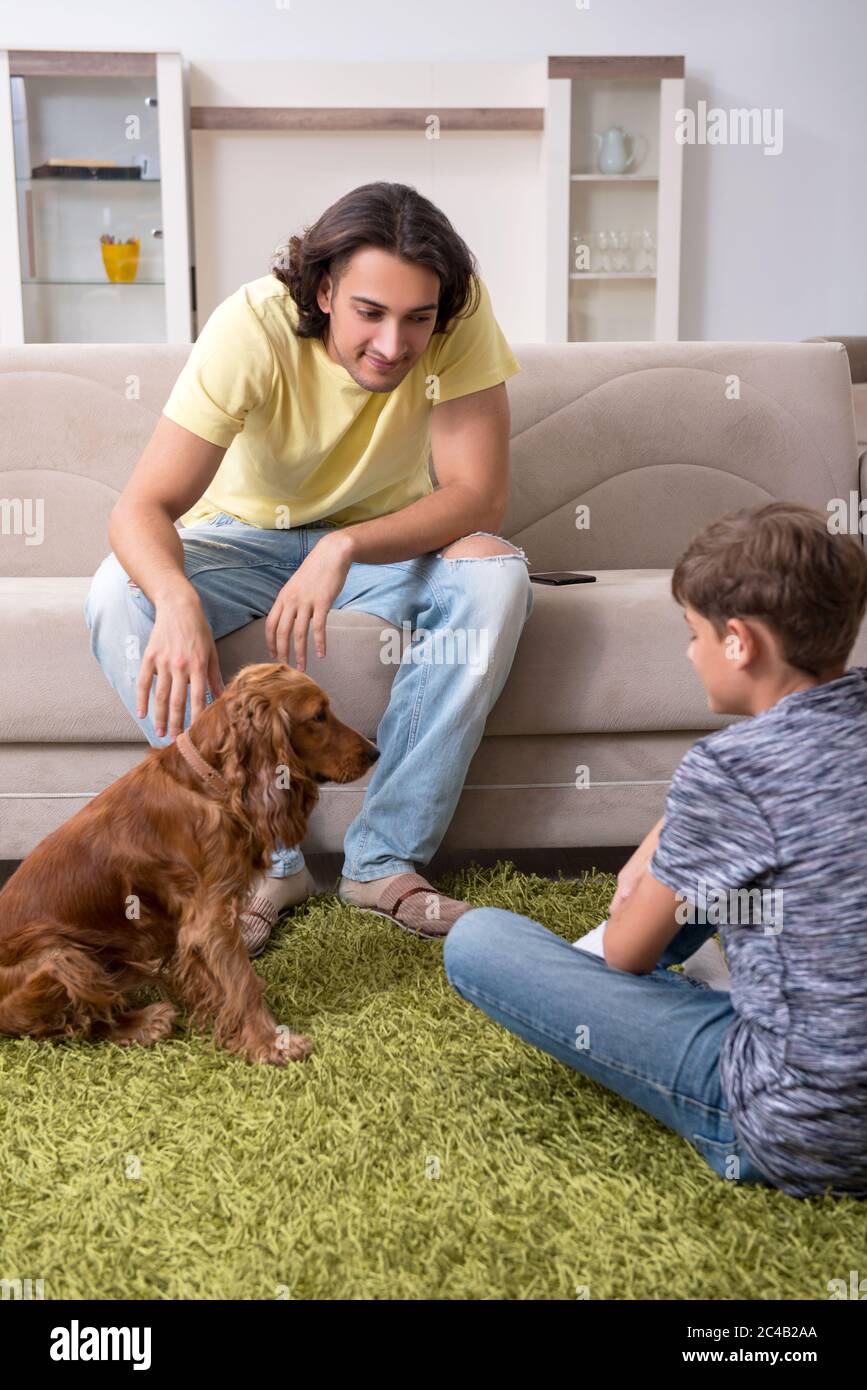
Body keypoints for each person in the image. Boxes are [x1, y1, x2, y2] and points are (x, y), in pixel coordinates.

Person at [84, 182, 533, 953]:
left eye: (416, 319)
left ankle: (381, 863)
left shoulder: (458, 314)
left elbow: (476, 497)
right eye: (370, 313)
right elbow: (140, 507)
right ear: (324, 291)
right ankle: (272, 861)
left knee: (496, 575)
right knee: (116, 596)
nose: (394, 345)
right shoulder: (249, 327)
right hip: (242, 539)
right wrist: (178, 599)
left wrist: (344, 544)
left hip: (384, 546)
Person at [444, 501, 867, 1198]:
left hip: (801, 1130)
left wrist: (666, 853)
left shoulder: (732, 770)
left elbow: (626, 954)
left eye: (691, 633)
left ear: (740, 642)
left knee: (478, 939)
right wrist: (675, 831)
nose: (687, 652)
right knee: (736, 871)